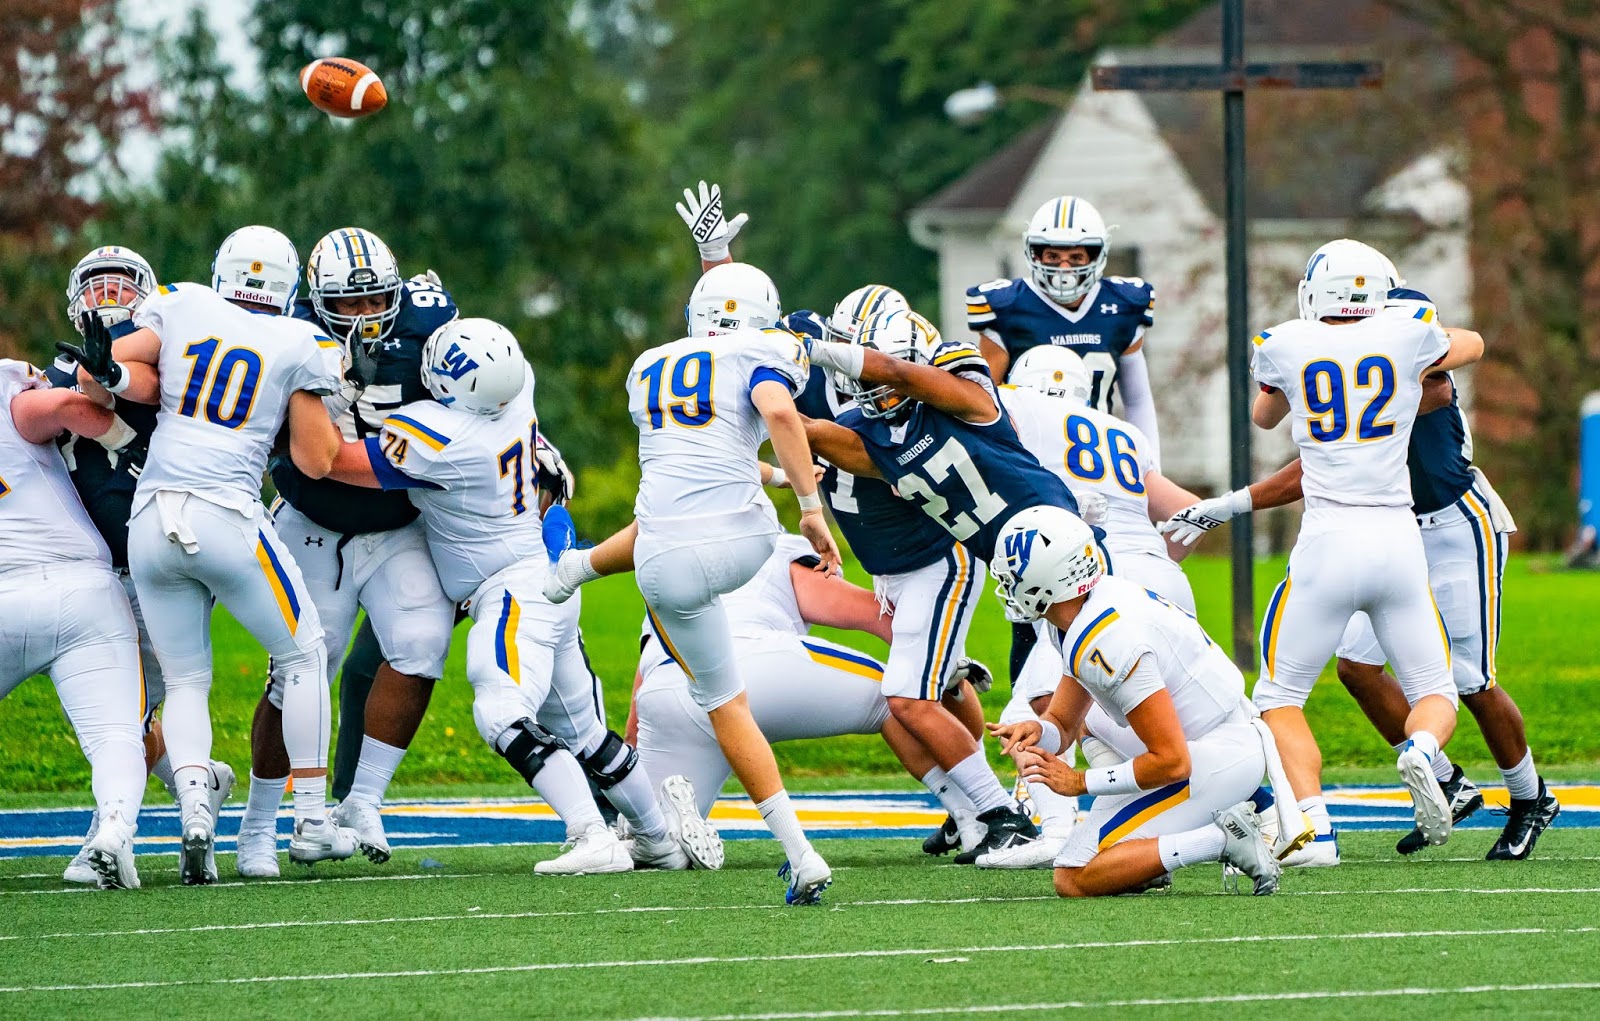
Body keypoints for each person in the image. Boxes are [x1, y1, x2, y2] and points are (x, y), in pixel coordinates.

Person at [1164, 278, 1556, 863]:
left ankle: (1530, 797)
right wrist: (1227, 504)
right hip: (1389, 534)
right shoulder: (1347, 350)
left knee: (1469, 677)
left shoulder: (1401, 325)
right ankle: (1443, 776)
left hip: (1453, 522)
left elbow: (1439, 390)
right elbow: (1313, 468)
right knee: (1357, 667)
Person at [673, 186, 997, 857]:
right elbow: (735, 332)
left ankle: (994, 802)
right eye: (865, 367)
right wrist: (717, 261)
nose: (878, 385)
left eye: (891, 373)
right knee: (934, 682)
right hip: (885, 560)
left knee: (928, 685)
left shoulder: (930, 395)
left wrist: (807, 480)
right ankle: (973, 801)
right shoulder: (819, 370)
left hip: (936, 552)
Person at [328, 317, 707, 875]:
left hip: (510, 590)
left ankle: (590, 833)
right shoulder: (517, 384)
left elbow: (337, 462)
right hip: (551, 576)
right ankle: (657, 839)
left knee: (500, 712)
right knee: (586, 734)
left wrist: (338, 389)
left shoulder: (443, 435)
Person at [59, 225, 353, 885]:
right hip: (226, 513)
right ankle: (310, 818)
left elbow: (111, 372)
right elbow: (316, 458)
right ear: (289, 286)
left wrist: (107, 371)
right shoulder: (299, 340)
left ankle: (195, 810)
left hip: (152, 519)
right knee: (303, 653)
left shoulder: (185, 302)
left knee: (188, 681)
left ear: (222, 271)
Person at [544, 262, 842, 904]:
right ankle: (802, 853)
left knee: (721, 695)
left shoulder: (649, 363)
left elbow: (697, 450)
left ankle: (577, 567)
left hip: (664, 564)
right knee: (726, 698)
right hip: (747, 541)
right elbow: (776, 413)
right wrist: (809, 508)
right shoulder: (766, 346)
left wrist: (781, 479)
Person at [1203, 239, 1484, 857]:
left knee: (1278, 698)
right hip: (1399, 542)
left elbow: (1263, 417)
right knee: (1434, 693)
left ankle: (1312, 828)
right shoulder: (1409, 335)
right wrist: (1417, 338)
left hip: (1328, 542)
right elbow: (1471, 344)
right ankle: (1423, 751)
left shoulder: (1284, 343)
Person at [803, 307, 1094, 864]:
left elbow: (903, 374)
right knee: (1075, 689)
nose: (878, 387)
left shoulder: (969, 396)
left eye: (889, 374)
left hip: (1048, 546)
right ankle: (1010, 817)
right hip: (1016, 565)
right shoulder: (877, 436)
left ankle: (1025, 821)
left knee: (1058, 692)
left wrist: (806, 350)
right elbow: (801, 426)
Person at [236, 228, 457, 877]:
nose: (364, 316)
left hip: (397, 526)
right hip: (314, 520)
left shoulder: (431, 321)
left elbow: (473, 396)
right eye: (349, 304)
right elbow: (311, 455)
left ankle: (362, 801)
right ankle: (255, 828)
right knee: (298, 670)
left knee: (420, 644)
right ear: (315, 299)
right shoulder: (290, 332)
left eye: (375, 302)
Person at [47, 245, 235, 886]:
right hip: (102, 564)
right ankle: (197, 788)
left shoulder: (164, 354)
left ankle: (116, 834)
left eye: (118, 286)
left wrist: (107, 395)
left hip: (163, 548)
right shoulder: (65, 365)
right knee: (125, 711)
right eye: (95, 289)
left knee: (137, 706)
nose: (107, 299)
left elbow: (143, 390)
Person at [986, 505, 1281, 897]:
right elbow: (1067, 721)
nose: (1008, 586)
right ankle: (1145, 846)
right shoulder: (1083, 613)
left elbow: (1172, 760)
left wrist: (1081, 782)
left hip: (1216, 757)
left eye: (1014, 577)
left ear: (1044, 581)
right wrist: (1038, 731)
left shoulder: (1106, 638)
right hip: (1210, 740)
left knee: (1073, 876)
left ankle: (1221, 838)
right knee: (1094, 726)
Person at [985, 345, 1202, 868]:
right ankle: (1233, 807)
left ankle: (1061, 827)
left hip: (1094, 577)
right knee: (1176, 714)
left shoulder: (1023, 413)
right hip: (1160, 576)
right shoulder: (1122, 432)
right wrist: (1160, 559)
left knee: (1035, 704)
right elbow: (1190, 514)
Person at [630, 531, 987, 833]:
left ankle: (651, 840)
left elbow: (641, 684)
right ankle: (971, 817)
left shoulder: (665, 554)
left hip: (666, 690)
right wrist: (951, 665)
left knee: (660, 834)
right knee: (898, 691)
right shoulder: (774, 542)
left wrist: (630, 753)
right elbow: (881, 621)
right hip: (752, 662)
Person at [964, 195, 1159, 687]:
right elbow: (982, 397)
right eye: (1052, 254)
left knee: (1105, 591)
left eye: (1077, 255)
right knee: (1031, 598)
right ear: (1033, 252)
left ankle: (1104, 713)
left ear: (1098, 255)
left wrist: (1148, 468)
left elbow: (1136, 398)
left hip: (1098, 464)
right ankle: (1036, 716)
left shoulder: (1122, 306)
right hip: (1033, 467)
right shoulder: (1008, 308)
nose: (1064, 266)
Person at [1, 353, 151, 889]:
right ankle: (115, 826)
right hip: (81, 589)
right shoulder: (10, 396)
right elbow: (67, 403)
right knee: (116, 738)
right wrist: (128, 444)